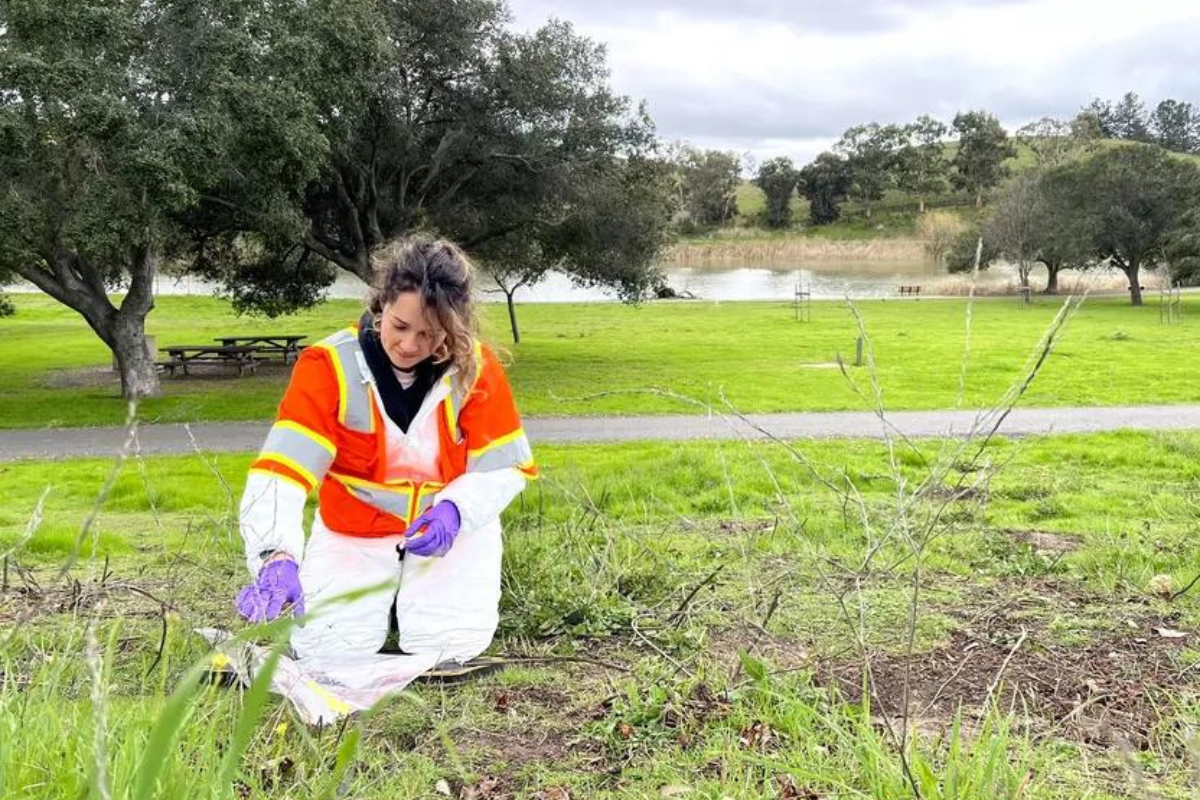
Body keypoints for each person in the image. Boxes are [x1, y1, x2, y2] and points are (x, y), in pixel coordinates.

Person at [233, 236, 537, 665]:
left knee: (449, 649)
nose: (411, 345)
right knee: (324, 650)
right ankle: (382, 600)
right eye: (400, 326)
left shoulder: (477, 369)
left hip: (447, 536)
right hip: (353, 533)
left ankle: (410, 600)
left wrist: (455, 512)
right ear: (382, 304)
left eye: (430, 334)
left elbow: (506, 469)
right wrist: (275, 555)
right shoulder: (328, 366)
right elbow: (281, 472)